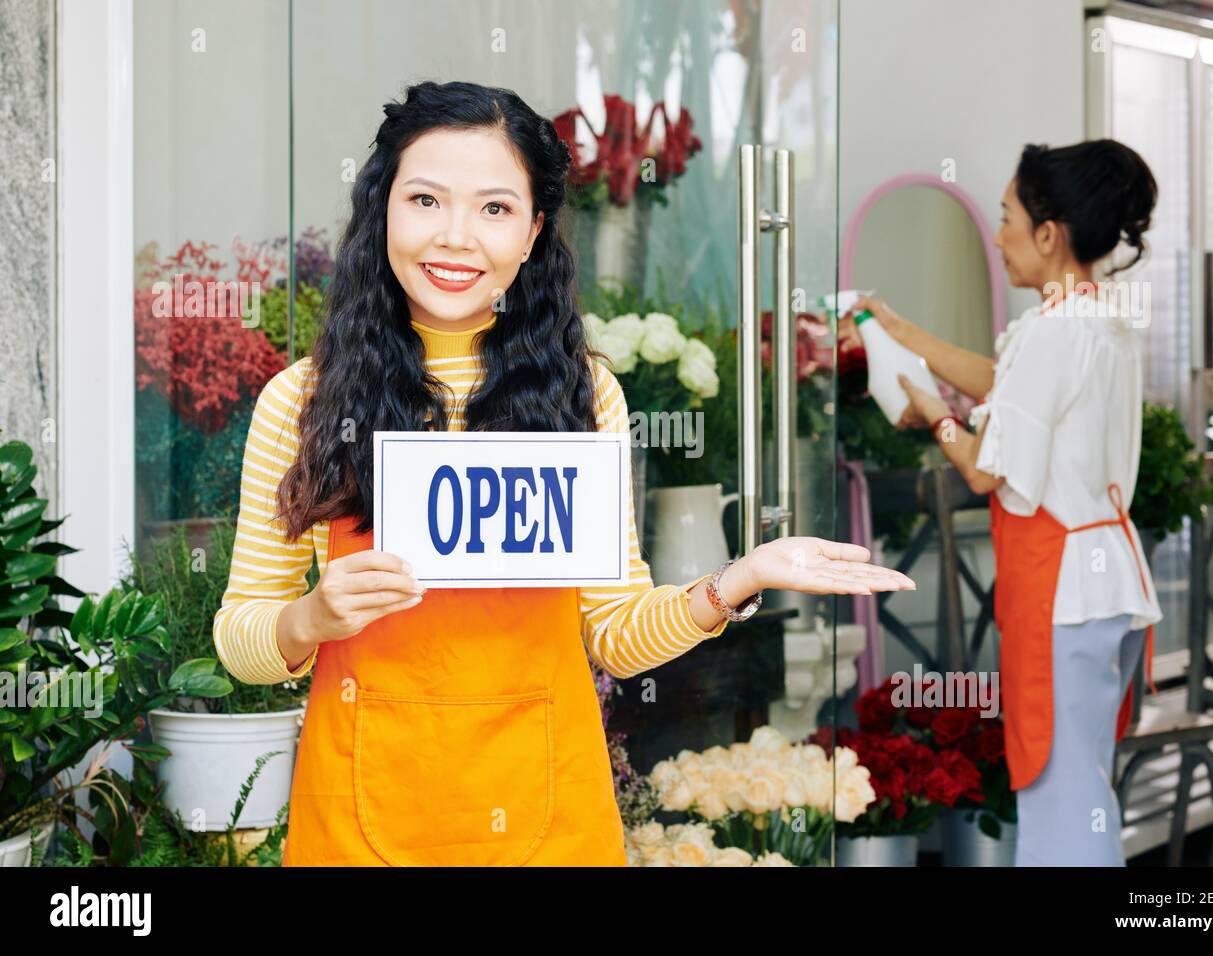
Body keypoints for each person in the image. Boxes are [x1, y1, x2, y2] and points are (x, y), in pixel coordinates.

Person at [213, 79, 915, 867]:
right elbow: (241, 637)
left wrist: (736, 581)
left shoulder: (584, 396)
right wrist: (308, 619)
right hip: (361, 817)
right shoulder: (302, 401)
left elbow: (614, 632)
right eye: (424, 200)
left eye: (494, 209)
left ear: (532, 232)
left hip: (552, 820)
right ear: (382, 212)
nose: (455, 238)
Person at [839, 139, 1163, 866]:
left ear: (1049, 235)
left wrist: (936, 417)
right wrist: (902, 333)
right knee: (1081, 781)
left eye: (1008, 216)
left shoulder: (1054, 334)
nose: (997, 234)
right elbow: (1004, 381)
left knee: (1059, 787)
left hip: (1061, 589)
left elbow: (989, 470)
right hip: (1102, 582)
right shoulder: (1091, 319)